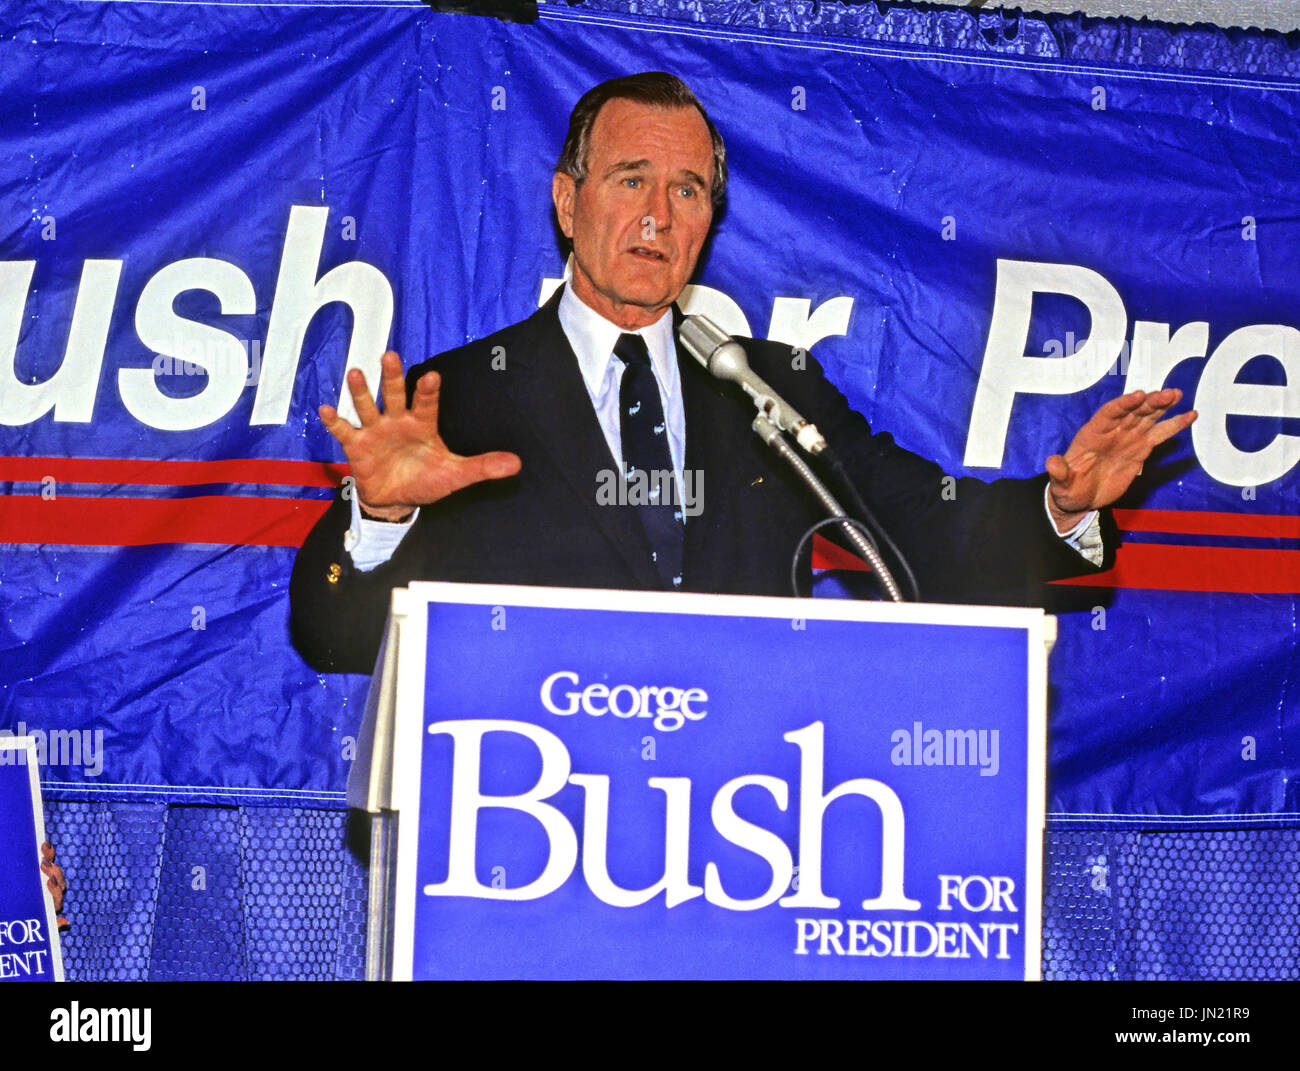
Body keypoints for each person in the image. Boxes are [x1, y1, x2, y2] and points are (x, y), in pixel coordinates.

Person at [290, 72, 1195, 674]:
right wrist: (383, 516)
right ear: (569, 203)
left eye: (687, 190)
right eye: (629, 179)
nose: (658, 213)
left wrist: (1063, 506)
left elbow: (919, 527)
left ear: (709, 220)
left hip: (739, 828)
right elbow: (333, 635)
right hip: (530, 836)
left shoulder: (768, 388)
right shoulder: (466, 396)